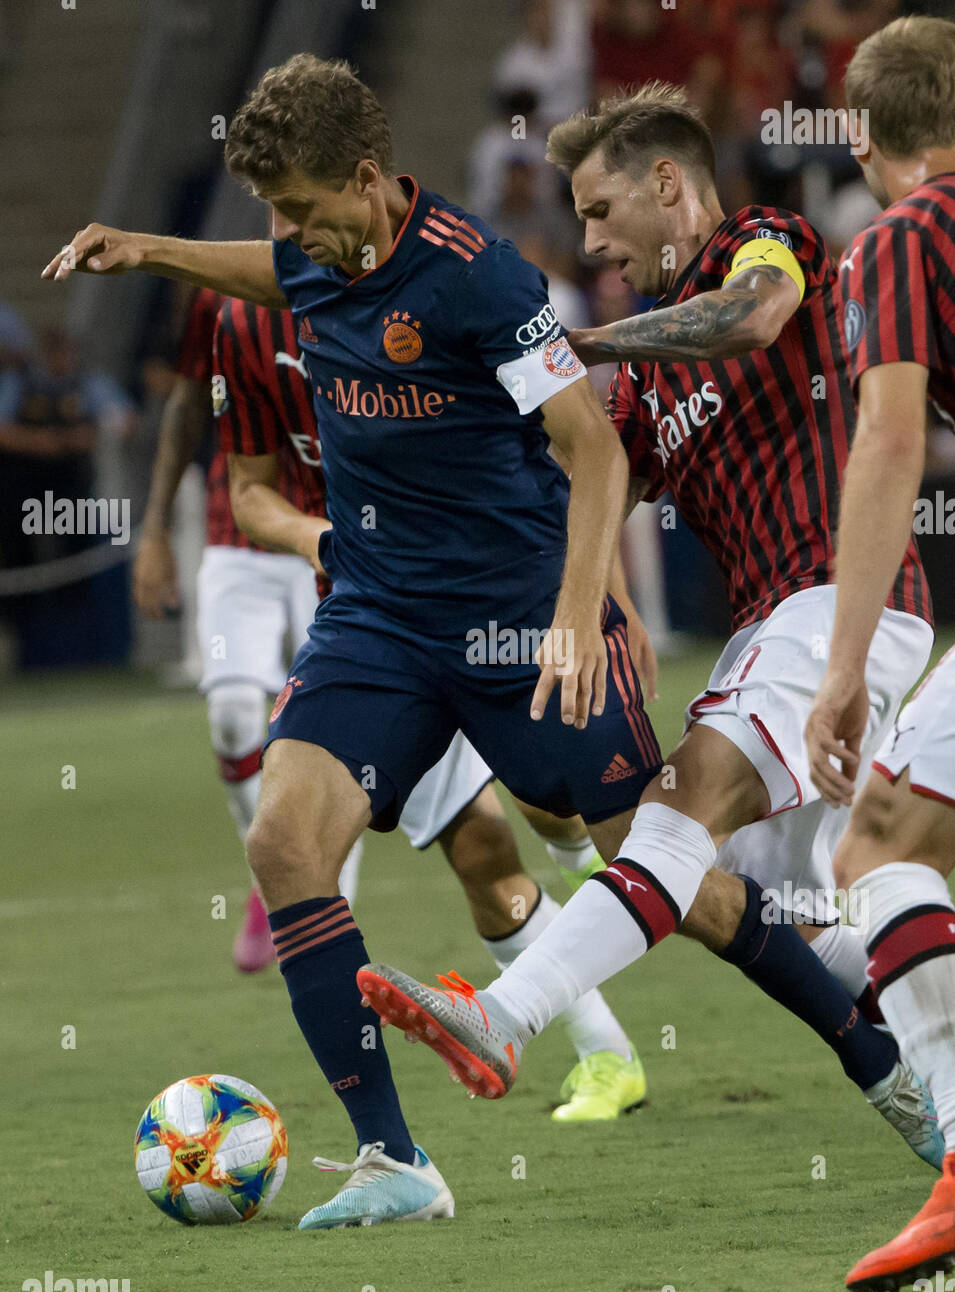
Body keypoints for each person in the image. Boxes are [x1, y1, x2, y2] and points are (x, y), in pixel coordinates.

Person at [357, 82, 955, 1180]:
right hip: (776, 627)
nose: (591, 240)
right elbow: (582, 489)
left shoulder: (765, 246)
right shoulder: (639, 395)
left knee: (675, 813)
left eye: (598, 211)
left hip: (839, 603)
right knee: (817, 919)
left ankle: (507, 1014)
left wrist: (566, 336)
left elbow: (755, 316)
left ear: (666, 185)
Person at [44, 55, 662, 1225]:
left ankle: (909, 1043)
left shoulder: (482, 277)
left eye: (297, 211)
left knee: (675, 869)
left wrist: (580, 612)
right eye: (270, 214)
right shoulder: (307, 278)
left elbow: (592, 448)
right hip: (377, 616)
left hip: (513, 610)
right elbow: (267, 283)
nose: (281, 236)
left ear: (367, 180)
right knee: (286, 846)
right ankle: (392, 1158)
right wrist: (148, 246)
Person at [213, 290, 647, 1140]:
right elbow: (248, 494)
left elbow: (569, 455)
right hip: (368, 630)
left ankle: (640, 896)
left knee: (548, 817)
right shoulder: (246, 327)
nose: (289, 228)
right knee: (472, 846)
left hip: (478, 599)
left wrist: (611, 603)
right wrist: (317, 539)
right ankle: (603, 1050)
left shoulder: (429, 300)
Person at [803, 15, 955, 1292]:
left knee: (875, 846)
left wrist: (842, 666)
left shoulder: (893, 241)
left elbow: (887, 441)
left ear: (857, 139)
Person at [133, 287, 363, 972]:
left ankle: (322, 916)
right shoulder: (223, 300)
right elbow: (184, 404)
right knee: (235, 719)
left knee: (342, 735)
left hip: (343, 539)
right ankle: (271, 876)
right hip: (244, 532)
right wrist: (153, 531)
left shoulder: (370, 284)